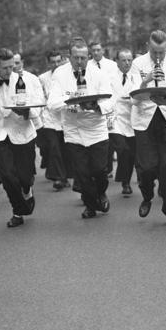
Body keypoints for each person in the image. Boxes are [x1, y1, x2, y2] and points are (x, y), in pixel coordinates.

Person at [47, 40, 114, 218]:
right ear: (69, 57)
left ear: (88, 57)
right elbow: (52, 103)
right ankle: (91, 206)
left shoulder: (99, 74)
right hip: (73, 130)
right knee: (82, 173)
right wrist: (71, 101)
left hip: (96, 128)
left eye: (83, 58)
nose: (79, 61)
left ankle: (100, 193)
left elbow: (110, 100)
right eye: (75, 57)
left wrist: (96, 106)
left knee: (100, 170)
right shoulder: (59, 75)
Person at [129, 30, 166, 226]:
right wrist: (145, 81)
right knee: (146, 168)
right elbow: (132, 98)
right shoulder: (138, 64)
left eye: (161, 52)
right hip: (144, 121)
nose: (158, 57)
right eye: (154, 52)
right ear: (148, 46)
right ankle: (147, 196)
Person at [0, 48, 44, 227]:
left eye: (12, 66)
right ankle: (17, 211)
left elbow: (38, 106)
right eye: (5, 68)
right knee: (8, 177)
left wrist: (27, 111)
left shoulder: (27, 80)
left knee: (24, 177)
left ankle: (27, 189)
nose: (10, 71)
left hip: (22, 133)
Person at [37, 50, 70, 191]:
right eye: (53, 62)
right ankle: (59, 178)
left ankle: (65, 176)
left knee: (64, 148)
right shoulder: (43, 78)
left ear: (62, 60)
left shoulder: (67, 76)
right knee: (53, 147)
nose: (56, 64)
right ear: (48, 63)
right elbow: (41, 98)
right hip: (49, 118)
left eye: (58, 61)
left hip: (65, 117)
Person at [111, 47, 137, 195]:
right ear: (117, 62)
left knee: (131, 154)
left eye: (129, 60)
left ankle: (127, 180)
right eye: (123, 60)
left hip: (132, 119)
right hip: (115, 120)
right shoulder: (110, 78)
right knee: (123, 149)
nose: (127, 63)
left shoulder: (137, 77)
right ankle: (124, 181)